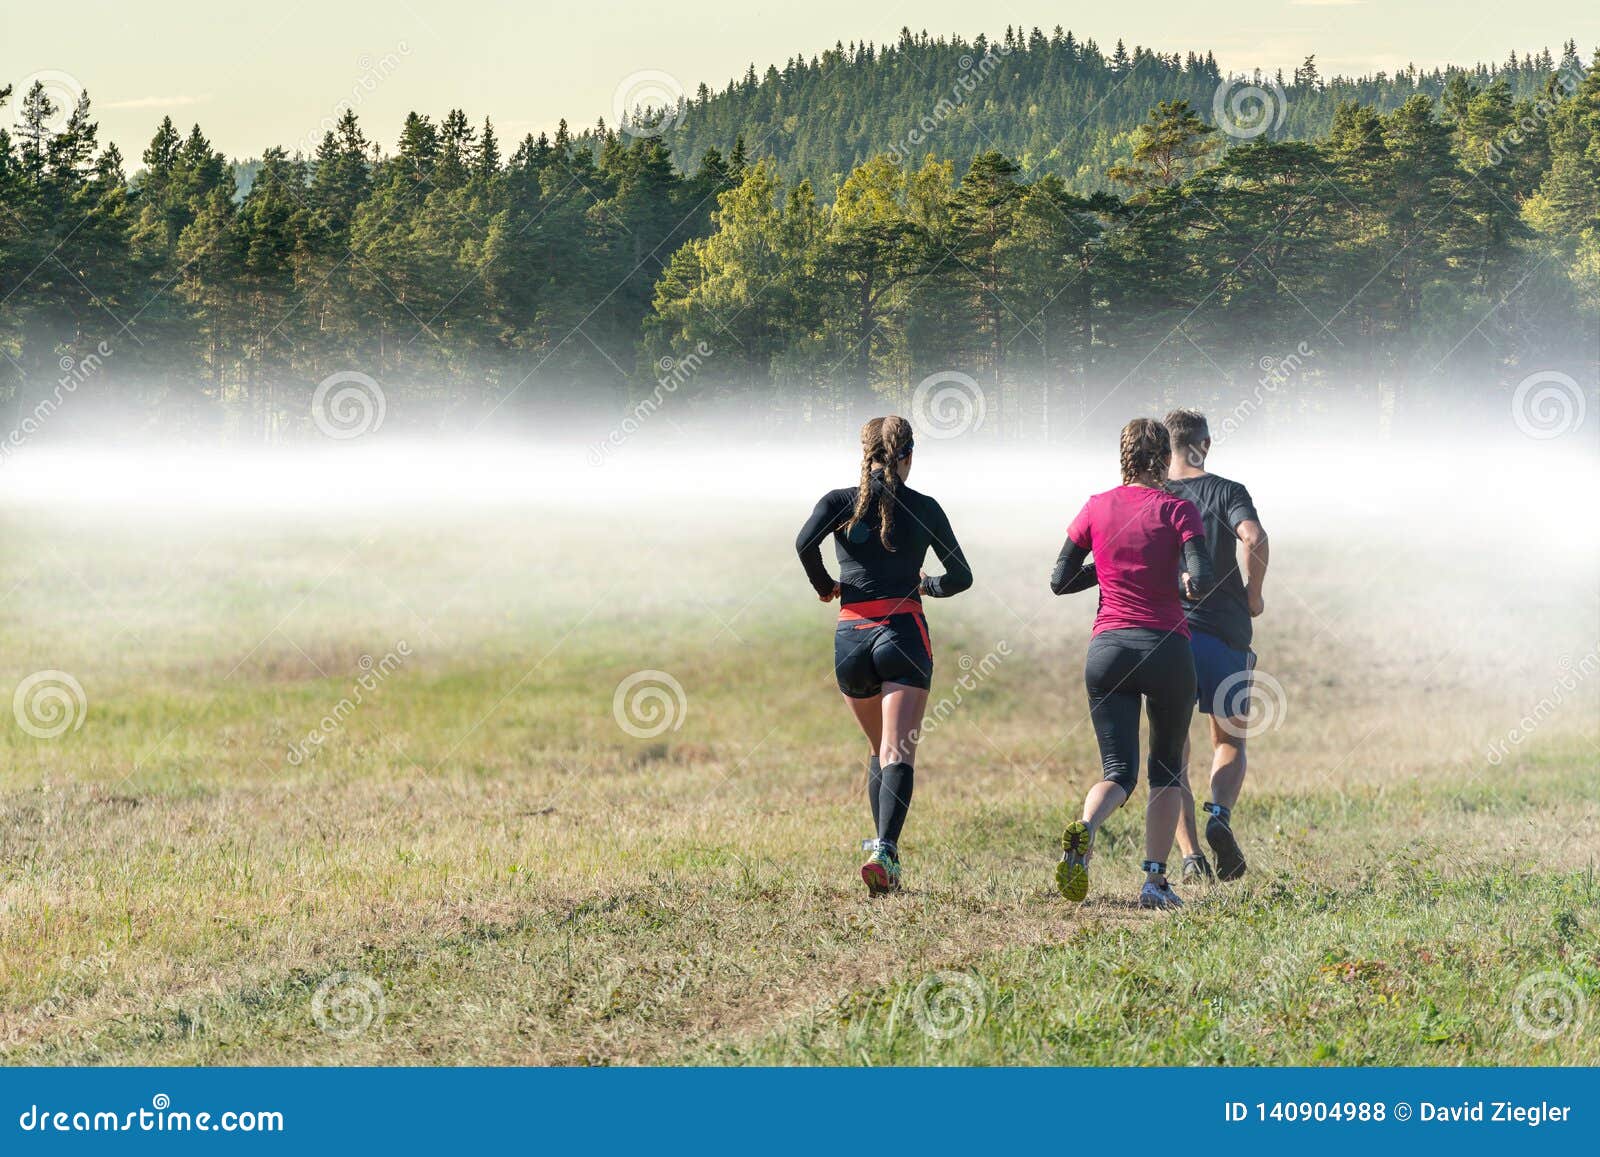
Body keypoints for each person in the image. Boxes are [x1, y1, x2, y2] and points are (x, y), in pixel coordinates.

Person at [795, 415, 972, 896]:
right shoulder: (926, 507)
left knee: (878, 749)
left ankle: (880, 847)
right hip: (903, 633)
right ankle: (886, 851)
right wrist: (926, 585)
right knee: (899, 751)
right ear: (909, 455)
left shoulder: (838, 502)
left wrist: (826, 586)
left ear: (864, 454)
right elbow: (961, 576)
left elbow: (803, 543)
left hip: (850, 637)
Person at [1050, 418, 1214, 910]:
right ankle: (1154, 882)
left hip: (1109, 649)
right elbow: (1201, 577)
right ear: (1165, 457)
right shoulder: (1178, 508)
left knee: (1119, 770)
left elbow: (1059, 579)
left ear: (1122, 456)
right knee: (1165, 770)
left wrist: (1104, 566)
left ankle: (1086, 828)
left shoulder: (1096, 507)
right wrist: (1185, 582)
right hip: (1165, 648)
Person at [1162, 410, 1270, 883]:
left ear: (1168, 446)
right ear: (1205, 442)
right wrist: (1253, 593)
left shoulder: (1154, 495)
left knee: (1173, 752)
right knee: (1229, 740)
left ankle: (1190, 858)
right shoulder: (1228, 491)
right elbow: (1255, 536)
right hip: (1225, 631)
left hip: (1168, 635)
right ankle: (1219, 816)